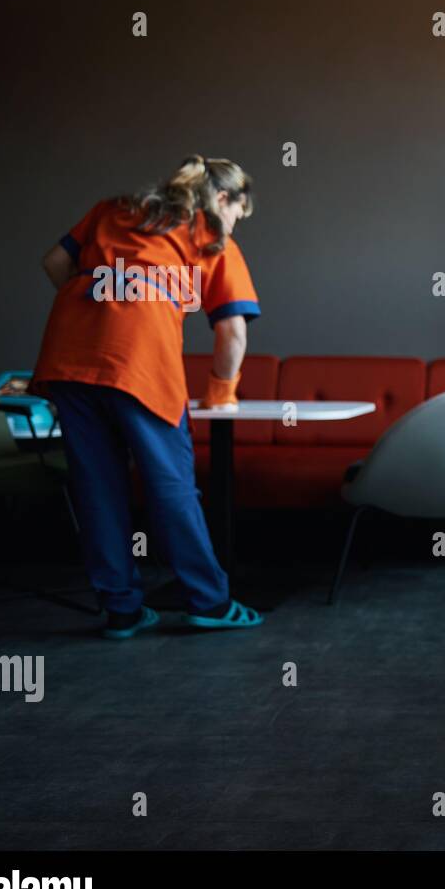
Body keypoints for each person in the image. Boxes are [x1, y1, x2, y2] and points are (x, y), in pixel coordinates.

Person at [31, 155, 267, 639]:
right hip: (139, 364)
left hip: (70, 359)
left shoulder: (113, 209)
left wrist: (102, 301)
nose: (234, 225)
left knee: (97, 489)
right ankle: (210, 601)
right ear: (222, 199)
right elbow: (233, 332)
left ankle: (122, 611)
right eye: (237, 214)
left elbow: (54, 263)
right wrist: (220, 394)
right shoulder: (212, 238)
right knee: (171, 487)